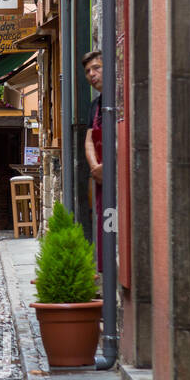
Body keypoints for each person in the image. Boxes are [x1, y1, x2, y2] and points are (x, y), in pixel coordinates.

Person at [83, 50, 104, 271]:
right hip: (100, 179)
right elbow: (89, 139)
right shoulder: (94, 105)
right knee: (104, 225)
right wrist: (95, 167)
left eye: (96, 68)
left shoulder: (120, 97)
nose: (92, 74)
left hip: (117, 176)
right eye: (88, 71)